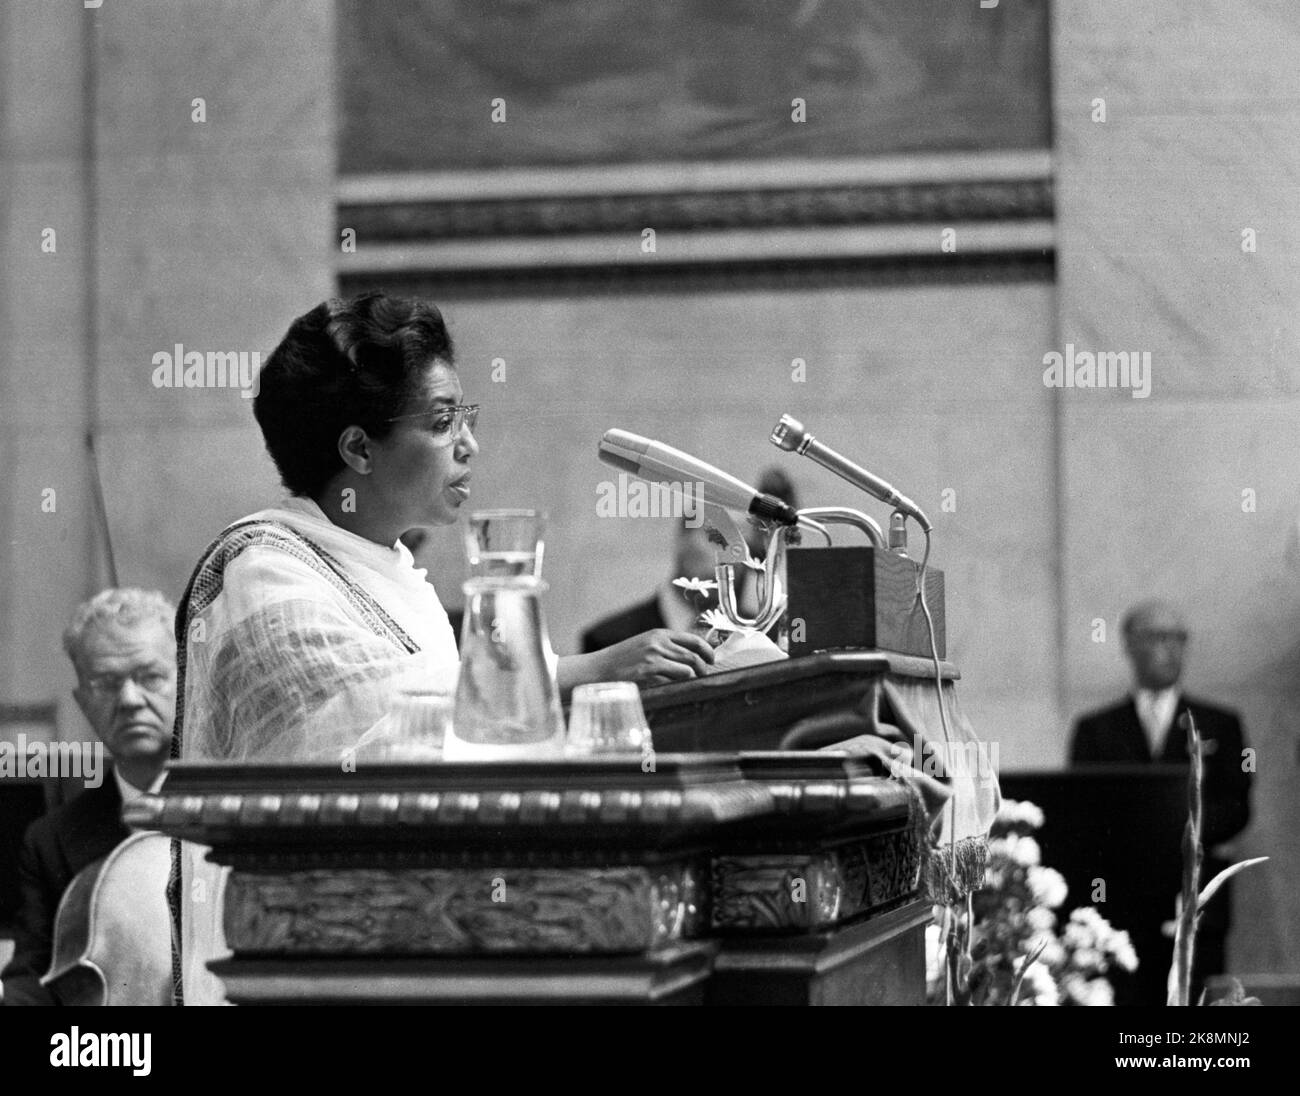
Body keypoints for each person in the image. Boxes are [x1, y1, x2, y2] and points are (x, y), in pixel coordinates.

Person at [172, 292, 714, 1002]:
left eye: (466, 417)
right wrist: (590, 672)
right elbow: (386, 723)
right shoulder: (263, 570)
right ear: (359, 448)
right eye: (441, 420)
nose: (469, 444)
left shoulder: (393, 569)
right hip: (306, 960)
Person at [1070, 598, 1251, 1003]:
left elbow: (1237, 807)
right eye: (1156, 636)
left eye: (1178, 637)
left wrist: (1171, 835)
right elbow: (1084, 809)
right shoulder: (1095, 730)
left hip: (1197, 902)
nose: (1169, 647)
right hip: (1120, 906)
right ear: (1129, 644)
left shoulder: (1222, 723)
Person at [1, 588, 176, 1006]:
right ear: (82, 701)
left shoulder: (240, 808)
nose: (130, 700)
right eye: (106, 683)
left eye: (150, 677)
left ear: (184, 679)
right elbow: (35, 981)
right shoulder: (51, 840)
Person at [582, 468, 799, 653]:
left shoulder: (766, 640)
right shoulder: (609, 642)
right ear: (682, 539)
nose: (734, 559)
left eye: (745, 549)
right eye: (719, 539)